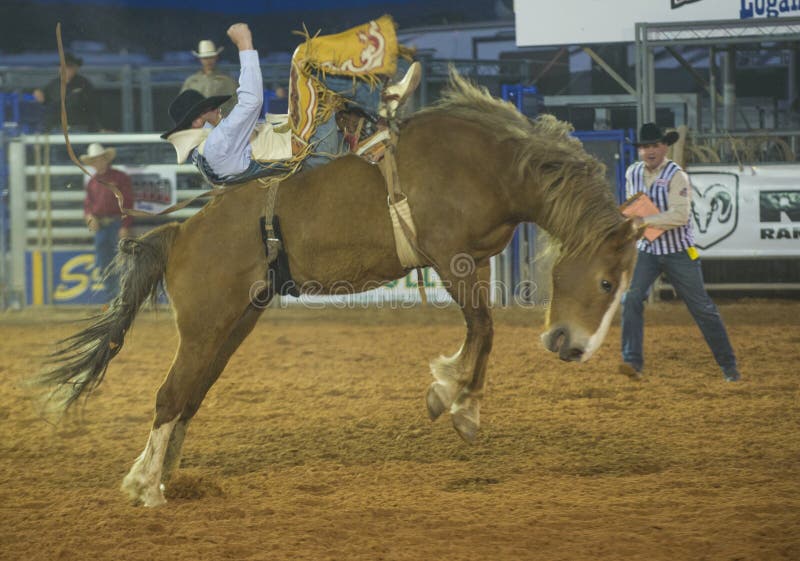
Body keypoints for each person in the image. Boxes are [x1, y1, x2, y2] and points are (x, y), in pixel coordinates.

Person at [161, 18, 420, 184]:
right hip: (308, 155)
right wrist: (245, 44)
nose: (217, 109)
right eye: (209, 109)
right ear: (197, 121)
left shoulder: (210, 154)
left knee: (315, 81)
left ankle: (373, 111)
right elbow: (251, 101)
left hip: (301, 153)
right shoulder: (217, 144)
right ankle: (381, 101)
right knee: (303, 58)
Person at [619, 123, 741, 382]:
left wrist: (644, 222)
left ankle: (729, 365)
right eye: (645, 146)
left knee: (702, 308)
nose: (650, 151)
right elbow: (634, 208)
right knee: (630, 299)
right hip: (648, 250)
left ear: (664, 147)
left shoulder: (677, 175)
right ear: (640, 150)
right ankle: (632, 361)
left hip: (680, 252)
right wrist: (636, 223)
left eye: (654, 145)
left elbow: (681, 216)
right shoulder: (632, 173)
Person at [80, 143, 133, 300]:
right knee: (104, 263)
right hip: (101, 226)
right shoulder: (92, 182)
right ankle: (113, 297)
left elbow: (128, 203)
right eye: (94, 160)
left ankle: (123, 297)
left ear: (105, 159)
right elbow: (88, 205)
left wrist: (125, 225)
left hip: (117, 224)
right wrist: (89, 217)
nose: (97, 163)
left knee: (121, 262)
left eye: (99, 159)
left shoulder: (120, 178)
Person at [33, 52, 100, 132]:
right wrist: (38, 94)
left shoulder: (84, 84)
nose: (66, 69)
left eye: (69, 66)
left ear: (76, 68)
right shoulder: (53, 85)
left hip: (79, 127)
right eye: (63, 66)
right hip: (56, 128)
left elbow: (92, 108)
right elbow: (43, 100)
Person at [180, 39, 238, 117]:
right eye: (205, 58)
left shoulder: (227, 81)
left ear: (216, 58)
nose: (208, 61)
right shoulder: (191, 81)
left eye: (211, 57)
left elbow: (236, 102)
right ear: (200, 60)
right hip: (197, 122)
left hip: (221, 122)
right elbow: (182, 103)